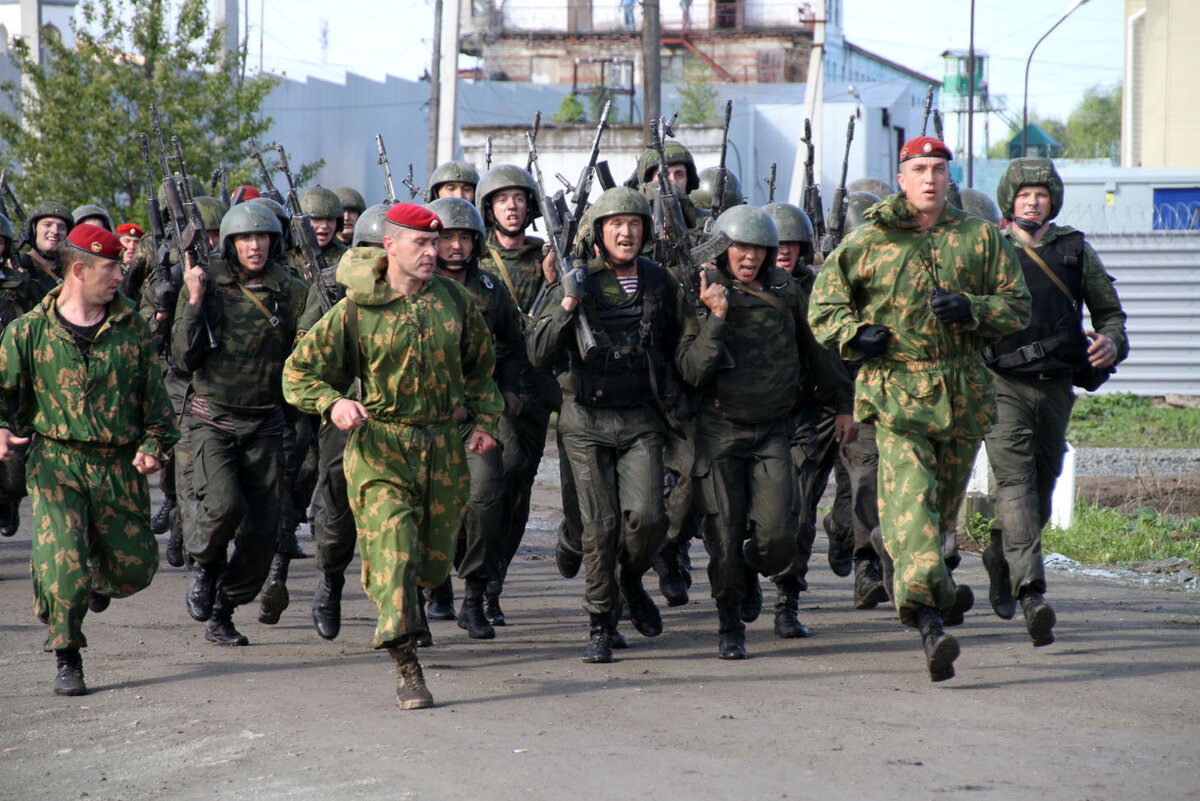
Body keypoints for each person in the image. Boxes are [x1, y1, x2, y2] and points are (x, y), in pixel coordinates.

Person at [808, 136, 1031, 682]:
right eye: (919, 169)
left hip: (962, 394)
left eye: (938, 169)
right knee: (909, 508)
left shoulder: (980, 238)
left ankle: (937, 587)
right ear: (901, 177)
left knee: (938, 516)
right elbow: (823, 304)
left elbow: (1018, 306)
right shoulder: (870, 240)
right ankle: (929, 619)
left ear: (949, 178)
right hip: (897, 394)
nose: (929, 178)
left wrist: (973, 309)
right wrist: (857, 336)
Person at [283, 202, 502, 710]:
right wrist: (333, 402)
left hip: (442, 449)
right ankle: (406, 663)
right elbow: (297, 372)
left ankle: (409, 604)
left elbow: (480, 367)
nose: (436, 251)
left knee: (430, 562)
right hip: (380, 446)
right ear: (390, 246)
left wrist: (486, 421)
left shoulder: (456, 302)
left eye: (438, 242)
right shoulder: (354, 309)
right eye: (423, 244)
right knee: (395, 549)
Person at [0, 223, 178, 695]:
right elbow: (2, 394)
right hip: (55, 462)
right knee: (65, 563)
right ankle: (67, 653)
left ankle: (93, 579)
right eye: (110, 267)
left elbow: (158, 409)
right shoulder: (29, 331)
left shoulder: (132, 329)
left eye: (119, 266)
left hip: (117, 466)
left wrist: (152, 448)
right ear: (79, 269)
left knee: (136, 567)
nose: (119, 275)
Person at [678, 205, 852, 657]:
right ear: (722, 249)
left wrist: (843, 405)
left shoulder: (786, 291)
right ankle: (729, 625)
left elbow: (817, 351)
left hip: (775, 429)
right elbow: (693, 371)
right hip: (718, 433)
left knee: (780, 537)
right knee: (725, 536)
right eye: (740, 247)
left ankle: (750, 569)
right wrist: (715, 318)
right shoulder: (700, 294)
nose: (750, 256)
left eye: (759, 248)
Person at [528, 187, 683, 664]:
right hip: (585, 419)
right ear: (597, 233)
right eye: (615, 223)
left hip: (641, 418)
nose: (625, 231)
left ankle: (630, 580)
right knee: (601, 526)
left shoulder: (660, 281)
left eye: (634, 223)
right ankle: (600, 621)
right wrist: (568, 302)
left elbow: (678, 345)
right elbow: (538, 352)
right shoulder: (577, 281)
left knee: (650, 519)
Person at [982, 157, 1128, 645]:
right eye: (1024, 194)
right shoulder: (989, 249)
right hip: (1002, 385)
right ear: (1009, 200)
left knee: (1040, 490)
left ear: (1053, 200)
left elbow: (1111, 315)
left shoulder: (1074, 250)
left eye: (1041, 194)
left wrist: (1111, 344)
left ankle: (1001, 552)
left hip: (1057, 386)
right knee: (1016, 482)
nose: (1033, 201)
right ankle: (1032, 594)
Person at [172, 202, 308, 647]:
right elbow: (183, 358)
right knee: (225, 506)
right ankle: (206, 567)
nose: (255, 245)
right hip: (213, 418)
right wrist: (193, 300)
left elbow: (303, 354)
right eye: (246, 238)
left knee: (265, 531)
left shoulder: (290, 290)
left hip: (265, 423)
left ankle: (224, 610)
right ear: (230, 242)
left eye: (263, 237)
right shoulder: (205, 282)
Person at [429, 196, 528, 640]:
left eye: (463, 237)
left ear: (476, 241)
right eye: (445, 236)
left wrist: (507, 390)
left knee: (486, 499)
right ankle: (423, 595)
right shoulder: (414, 286)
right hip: (423, 422)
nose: (454, 245)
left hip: (477, 419)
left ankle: (474, 598)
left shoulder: (490, 290)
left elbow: (513, 343)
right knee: (426, 511)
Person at [475, 164, 558, 626]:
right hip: (488, 387)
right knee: (498, 476)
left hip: (534, 388)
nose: (511, 206)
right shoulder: (475, 259)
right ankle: (476, 577)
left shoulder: (546, 256)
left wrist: (552, 279)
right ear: (489, 207)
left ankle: (493, 581)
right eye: (502, 199)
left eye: (519, 199)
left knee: (519, 488)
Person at [16, 202, 74, 301]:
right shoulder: (18, 265)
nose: (55, 231)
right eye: (47, 225)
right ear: (33, 230)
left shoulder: (72, 271)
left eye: (62, 227)